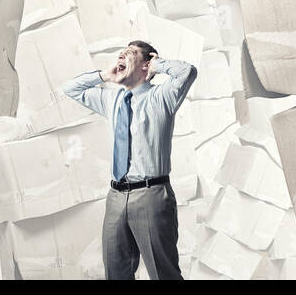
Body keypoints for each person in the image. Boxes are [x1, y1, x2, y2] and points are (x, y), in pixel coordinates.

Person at [62, 40, 198, 280]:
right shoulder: (111, 100)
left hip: (151, 195)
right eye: (122, 53)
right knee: (116, 272)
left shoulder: (162, 97)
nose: (122, 56)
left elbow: (188, 72)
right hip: (115, 197)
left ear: (147, 65)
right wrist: (105, 76)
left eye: (131, 53)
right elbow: (70, 88)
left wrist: (158, 64)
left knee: (163, 273)